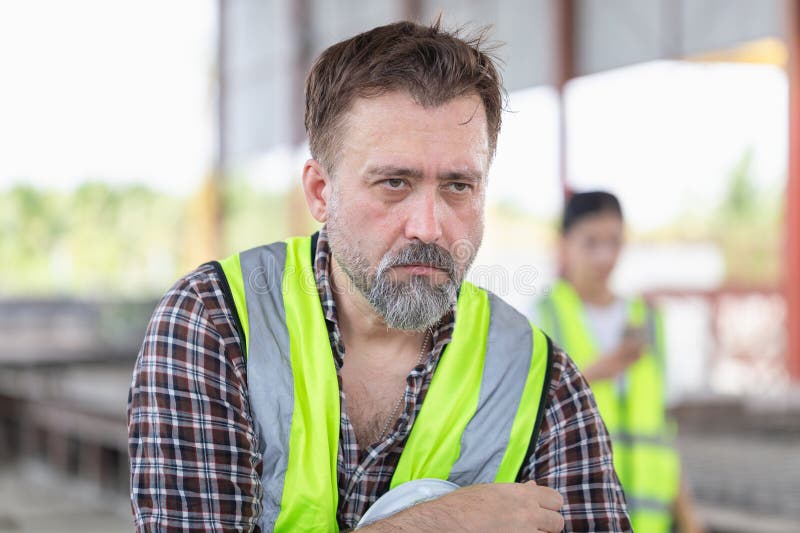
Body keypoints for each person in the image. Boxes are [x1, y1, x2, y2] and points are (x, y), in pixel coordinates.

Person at [128, 20, 631, 532]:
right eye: (394, 183)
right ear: (321, 191)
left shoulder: (536, 377)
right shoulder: (214, 322)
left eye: (458, 186)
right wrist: (439, 523)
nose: (429, 227)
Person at [534, 191, 705, 533]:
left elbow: (661, 435)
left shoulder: (650, 321)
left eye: (614, 242)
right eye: (591, 242)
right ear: (564, 243)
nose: (605, 256)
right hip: (577, 519)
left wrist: (690, 521)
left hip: (649, 522)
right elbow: (524, 420)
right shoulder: (541, 318)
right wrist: (593, 373)